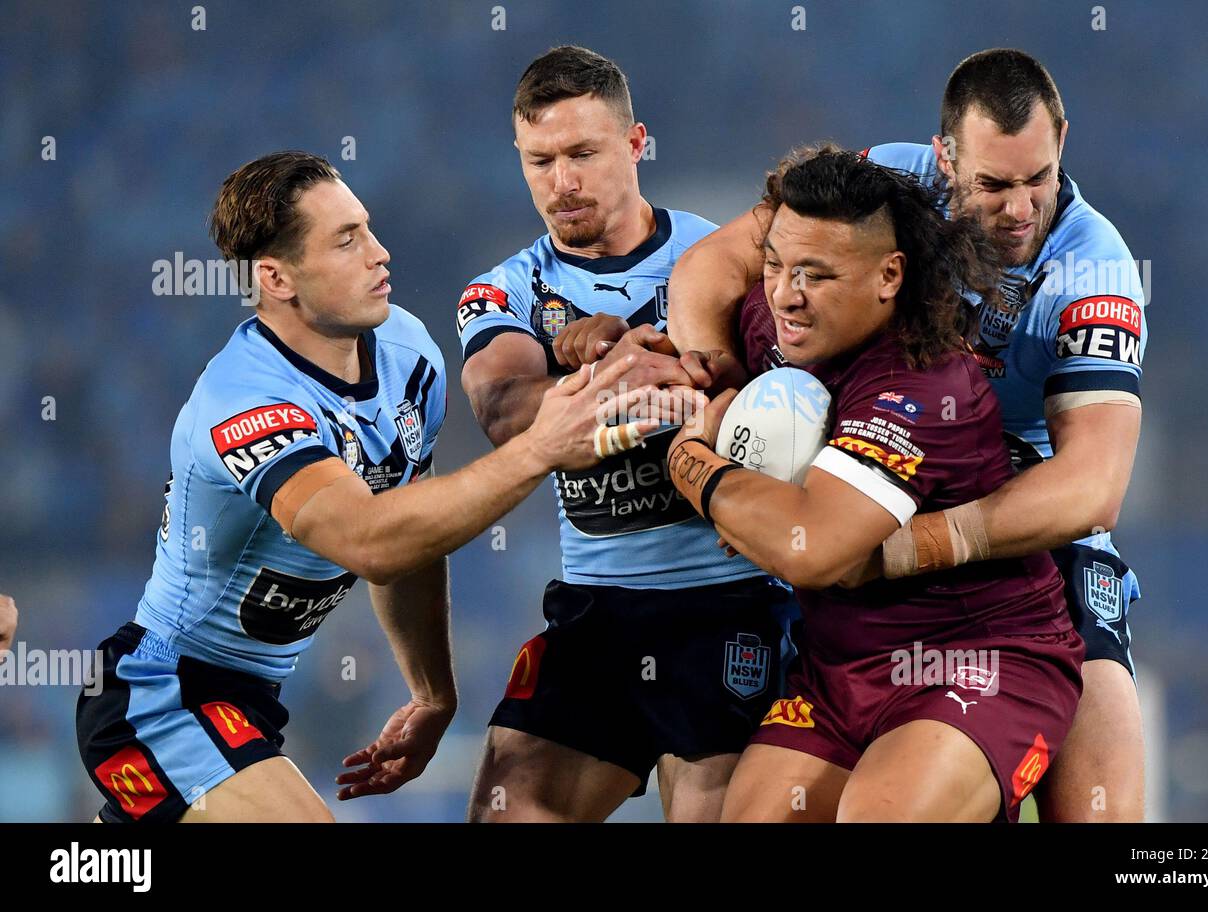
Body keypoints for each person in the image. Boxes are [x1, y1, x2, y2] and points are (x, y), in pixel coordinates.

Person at [75, 150, 658, 823]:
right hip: (157, 693)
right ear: (276, 277)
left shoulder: (408, 353)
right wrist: (540, 447)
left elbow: (410, 529)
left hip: (252, 704)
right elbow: (368, 540)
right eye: (347, 240)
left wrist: (433, 693)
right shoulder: (244, 401)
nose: (380, 254)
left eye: (369, 228)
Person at [666, 49, 1148, 822]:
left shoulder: (1095, 273)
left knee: (1095, 793)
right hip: (866, 495)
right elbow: (712, 265)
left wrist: (906, 547)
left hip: (1025, 525)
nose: (1022, 208)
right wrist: (719, 394)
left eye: (1040, 178)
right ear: (943, 159)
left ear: (1062, 140)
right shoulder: (888, 189)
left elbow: (1093, 489)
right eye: (994, 185)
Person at [457, 46, 791, 823]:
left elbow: (784, 395)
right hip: (596, 613)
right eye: (540, 160)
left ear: (637, 144)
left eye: (582, 153)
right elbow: (505, 411)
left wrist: (693, 378)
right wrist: (606, 376)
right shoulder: (507, 289)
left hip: (727, 602)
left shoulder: (717, 259)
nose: (561, 181)